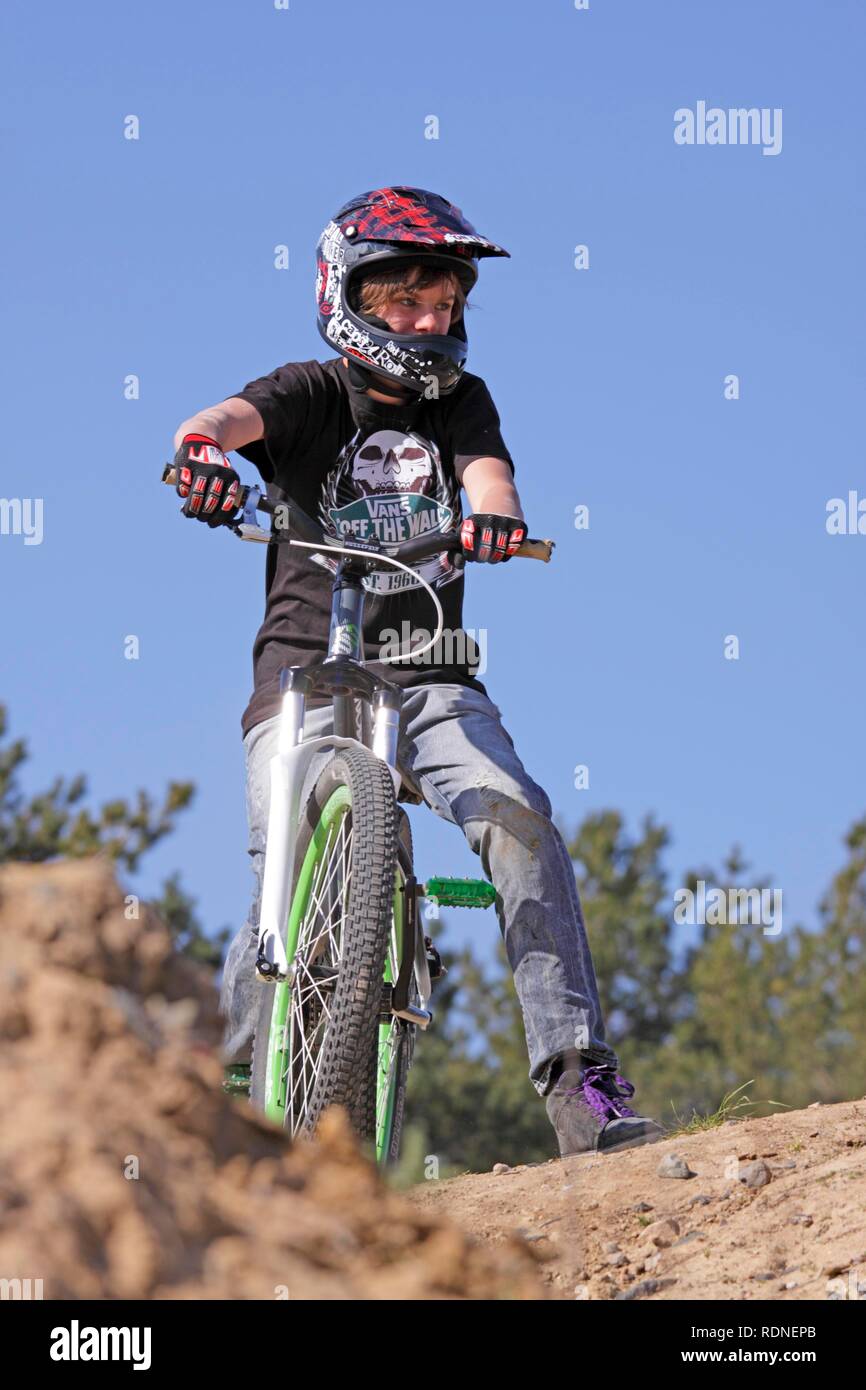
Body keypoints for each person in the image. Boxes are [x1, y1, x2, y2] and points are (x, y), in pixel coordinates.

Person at [171, 186, 664, 1157]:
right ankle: (214, 1090)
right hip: (305, 675)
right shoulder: (312, 393)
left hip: (433, 678)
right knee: (285, 873)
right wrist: (197, 452)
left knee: (517, 823)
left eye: (442, 304)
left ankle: (579, 1081)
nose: (429, 321)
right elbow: (224, 419)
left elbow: (489, 476)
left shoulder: (462, 405)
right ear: (349, 296)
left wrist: (494, 515)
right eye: (405, 303)